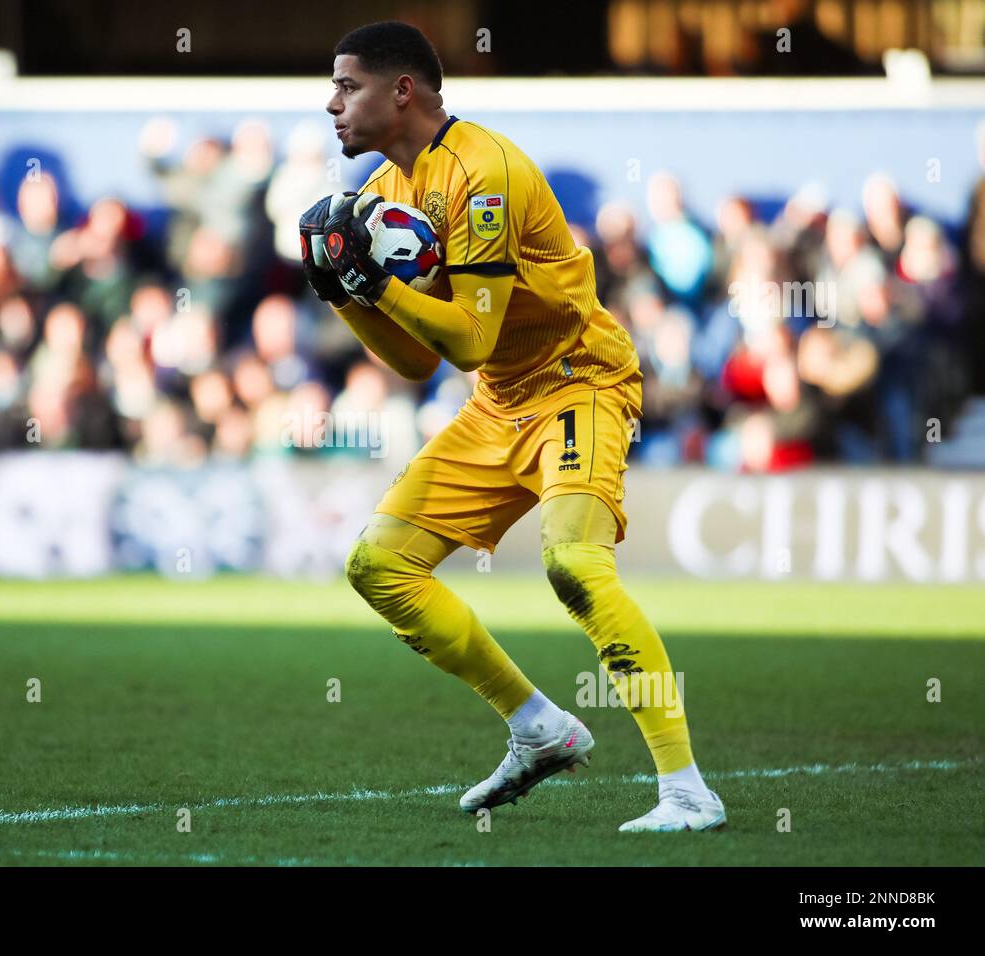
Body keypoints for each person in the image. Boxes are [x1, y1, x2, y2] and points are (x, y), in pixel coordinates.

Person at [301, 21, 724, 832]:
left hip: (579, 382)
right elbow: (419, 365)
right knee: (379, 566)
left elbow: (469, 338)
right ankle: (538, 727)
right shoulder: (386, 196)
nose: (331, 105)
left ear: (403, 91)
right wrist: (343, 291)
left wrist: (371, 284)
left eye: (345, 85)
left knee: (573, 564)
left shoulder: (482, 172)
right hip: (500, 401)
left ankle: (687, 790)